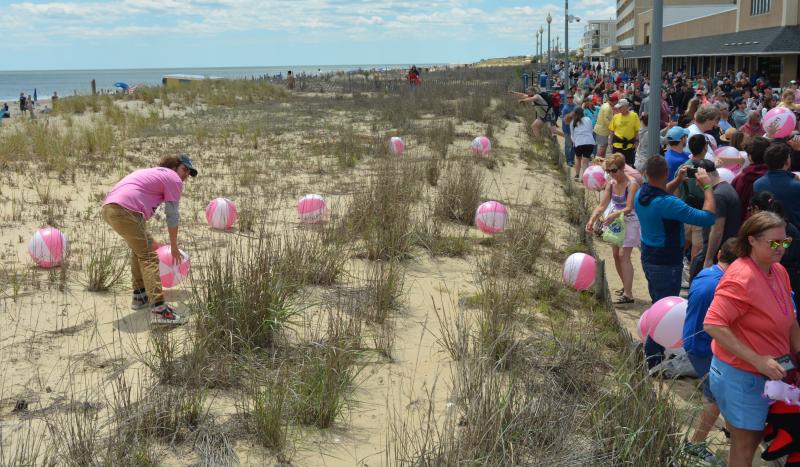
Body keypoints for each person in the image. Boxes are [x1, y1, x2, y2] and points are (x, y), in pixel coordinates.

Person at [704, 211, 800, 467]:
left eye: (786, 241)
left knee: (755, 436)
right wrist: (758, 360)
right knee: (744, 448)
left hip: (771, 375)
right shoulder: (741, 277)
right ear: (753, 240)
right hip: (743, 376)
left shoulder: (777, 270)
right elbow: (713, 324)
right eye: (774, 242)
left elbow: (789, 317)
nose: (782, 248)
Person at [636, 155, 716, 369]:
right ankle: (653, 359)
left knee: (657, 304)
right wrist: (707, 187)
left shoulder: (641, 193)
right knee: (664, 312)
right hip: (666, 263)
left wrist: (678, 180)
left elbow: (661, 192)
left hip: (649, 256)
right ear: (665, 174)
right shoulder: (668, 203)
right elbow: (707, 218)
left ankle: (652, 349)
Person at [101, 154, 198, 325]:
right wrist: (174, 246)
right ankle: (160, 310)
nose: (185, 175)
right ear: (174, 166)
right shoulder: (173, 178)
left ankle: (140, 297)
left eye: (189, 173)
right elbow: (172, 215)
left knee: (140, 251)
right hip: (126, 210)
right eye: (184, 169)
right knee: (149, 257)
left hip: (110, 208)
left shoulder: (154, 173)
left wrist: (154, 243)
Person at [682, 238, 738, 464]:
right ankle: (695, 444)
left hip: (692, 339)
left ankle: (730, 429)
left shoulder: (706, 274)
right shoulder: (725, 286)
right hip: (706, 347)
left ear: (719, 255)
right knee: (714, 398)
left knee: (723, 393)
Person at [585, 154, 640, 303]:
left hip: (630, 222)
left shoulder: (632, 183)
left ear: (623, 168)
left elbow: (629, 207)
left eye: (614, 170)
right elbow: (602, 205)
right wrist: (592, 220)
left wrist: (614, 215)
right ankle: (625, 286)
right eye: (608, 171)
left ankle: (628, 294)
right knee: (616, 255)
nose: (611, 174)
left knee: (624, 256)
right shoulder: (611, 183)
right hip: (616, 223)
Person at [686, 160, 741, 281]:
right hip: (723, 252)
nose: (696, 184)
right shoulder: (726, 188)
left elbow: (717, 230)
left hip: (715, 254)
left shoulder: (718, 195)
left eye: (698, 179)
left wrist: (708, 259)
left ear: (708, 176)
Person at [750, 191, 800, 315]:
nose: (781, 248)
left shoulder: (770, 231)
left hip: (786, 277)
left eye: (785, 242)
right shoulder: (790, 228)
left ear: (756, 209)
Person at [753, 143, 800, 228]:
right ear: (787, 161)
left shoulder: (757, 184)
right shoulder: (796, 186)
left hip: (768, 233)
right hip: (792, 235)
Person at [608, 99, 640, 166]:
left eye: (620, 107)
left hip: (630, 145)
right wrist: (610, 142)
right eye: (618, 107)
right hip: (617, 145)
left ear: (626, 106)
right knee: (616, 165)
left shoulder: (634, 116)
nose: (618, 108)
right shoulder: (616, 116)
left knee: (629, 165)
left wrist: (637, 142)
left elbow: (637, 130)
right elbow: (611, 130)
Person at [594, 91, 618, 159]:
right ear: (614, 101)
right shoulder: (607, 108)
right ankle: (597, 162)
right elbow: (606, 120)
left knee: (604, 147)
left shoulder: (606, 105)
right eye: (616, 102)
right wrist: (612, 128)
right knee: (602, 147)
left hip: (601, 130)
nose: (617, 103)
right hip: (602, 130)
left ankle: (602, 161)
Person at [560, 94, 577, 167]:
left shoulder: (575, 106)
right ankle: (568, 160)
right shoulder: (565, 108)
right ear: (567, 99)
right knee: (568, 146)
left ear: (573, 98)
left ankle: (572, 160)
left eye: (571, 97)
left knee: (573, 146)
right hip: (568, 130)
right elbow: (564, 121)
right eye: (568, 97)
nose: (570, 99)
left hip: (575, 130)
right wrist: (565, 131)